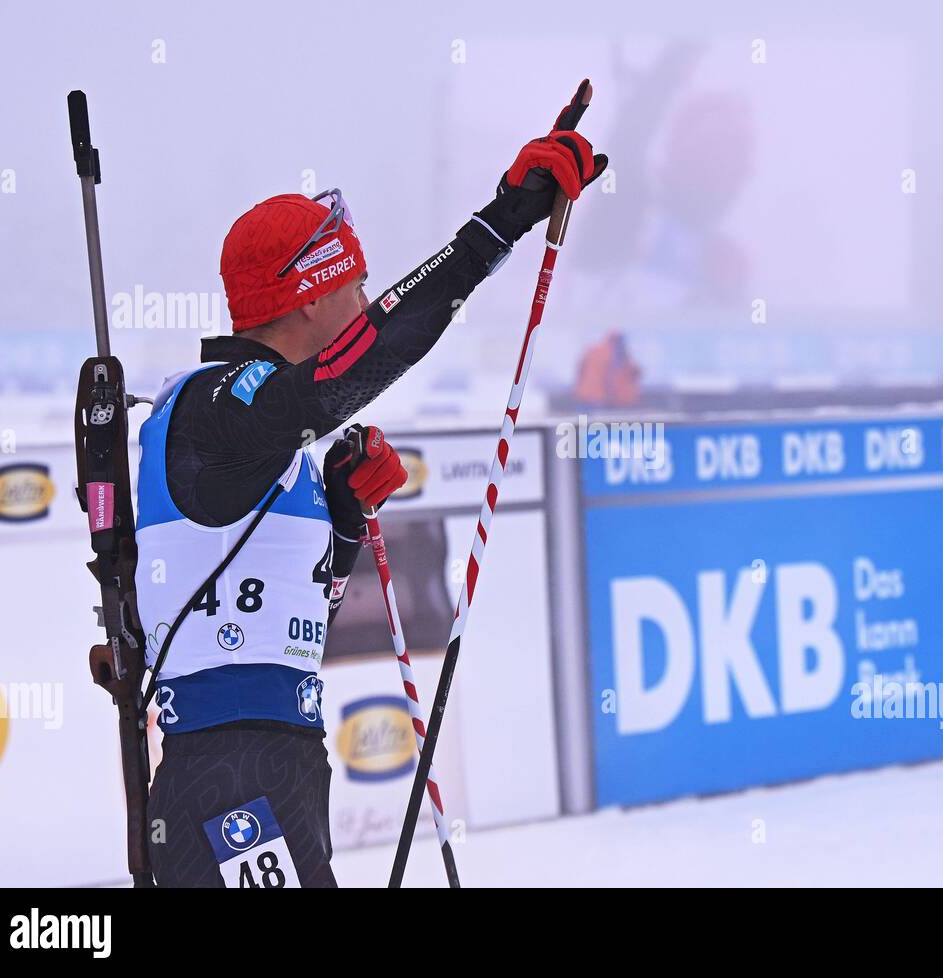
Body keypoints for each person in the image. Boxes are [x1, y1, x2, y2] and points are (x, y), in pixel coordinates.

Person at [136, 85, 607, 887]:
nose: (363, 301)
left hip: (276, 759)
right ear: (309, 296)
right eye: (354, 286)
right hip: (227, 771)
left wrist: (345, 519)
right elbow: (355, 365)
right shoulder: (213, 406)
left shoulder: (269, 439)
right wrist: (500, 225)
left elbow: (291, 616)